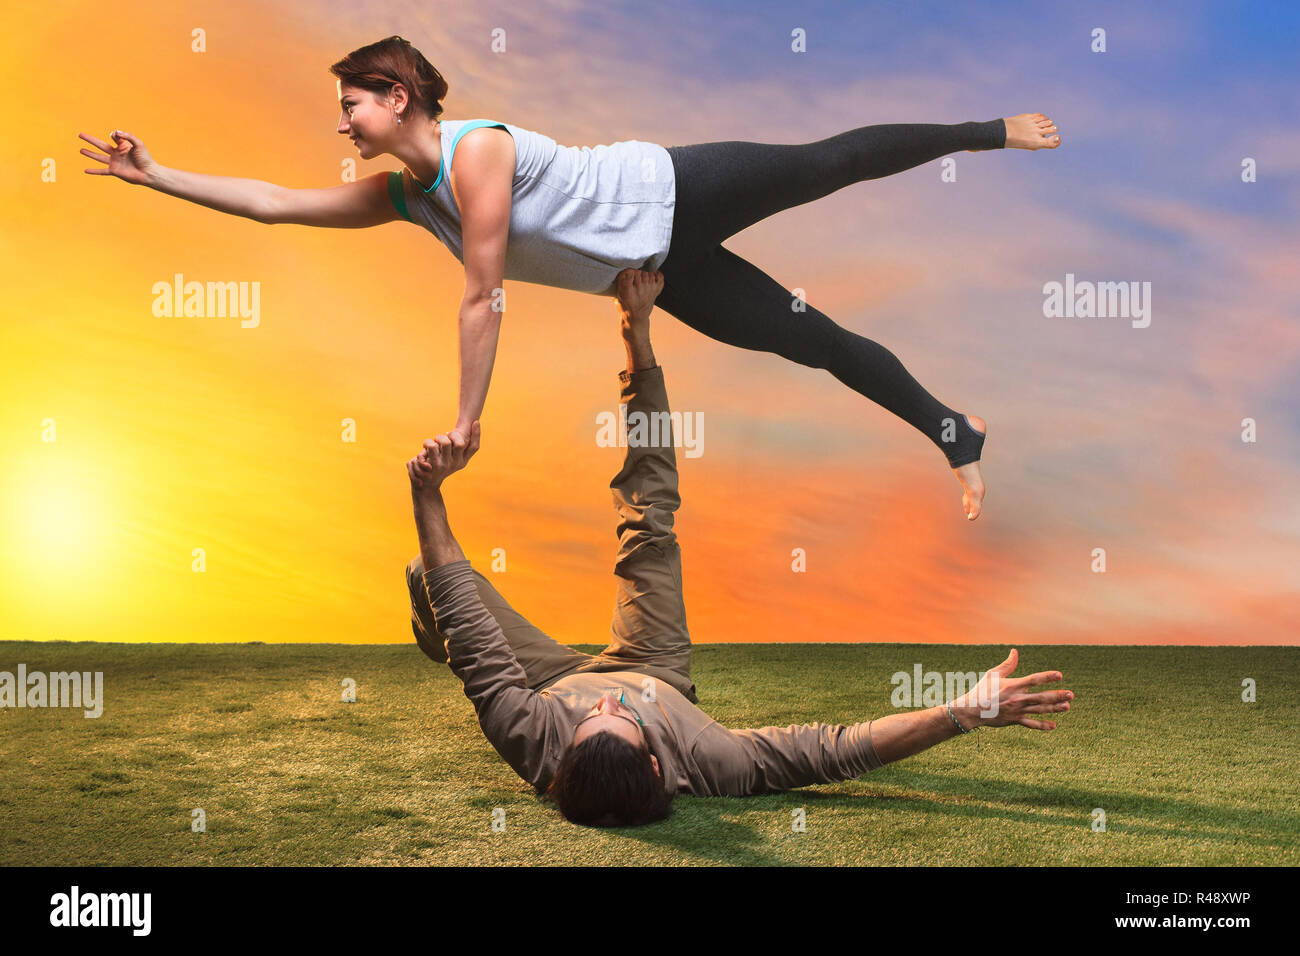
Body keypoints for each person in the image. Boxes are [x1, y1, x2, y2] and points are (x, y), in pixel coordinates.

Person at [79, 35, 1063, 522]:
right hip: (660, 269)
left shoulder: (474, 157)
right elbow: (272, 202)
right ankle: (953, 430)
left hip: (678, 185)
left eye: (352, 106)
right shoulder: (404, 196)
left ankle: (991, 130)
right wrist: (154, 174)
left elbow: (481, 292)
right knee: (809, 339)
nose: (342, 124)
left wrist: (466, 421)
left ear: (399, 96)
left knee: (824, 161)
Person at [404, 267, 1074, 828]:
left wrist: (429, 492)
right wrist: (962, 712)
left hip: (550, 680)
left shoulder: (529, 734)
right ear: (660, 766)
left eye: (591, 718)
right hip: (656, 665)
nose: (607, 702)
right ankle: (639, 337)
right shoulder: (713, 762)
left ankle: (633, 335)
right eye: (621, 717)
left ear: (558, 762)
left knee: (429, 577)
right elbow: (832, 753)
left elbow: (471, 621)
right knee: (650, 520)